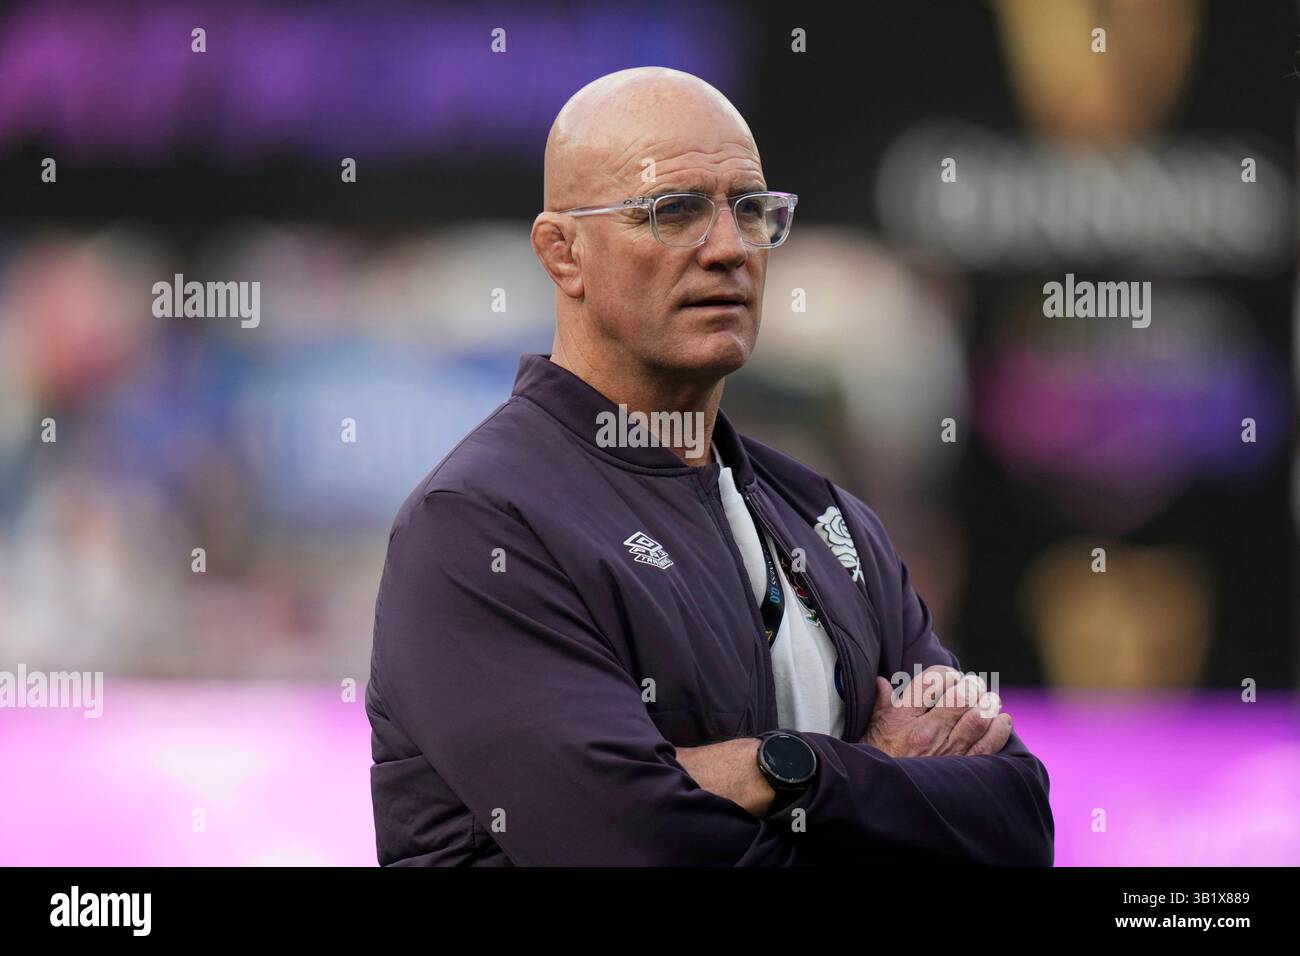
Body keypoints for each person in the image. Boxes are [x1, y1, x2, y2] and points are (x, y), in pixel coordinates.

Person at [366, 66, 1054, 866]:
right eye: (675, 211)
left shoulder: (833, 523)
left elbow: (1013, 821)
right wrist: (869, 778)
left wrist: (777, 772)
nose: (728, 249)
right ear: (562, 253)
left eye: (753, 210)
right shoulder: (480, 523)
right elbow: (626, 842)